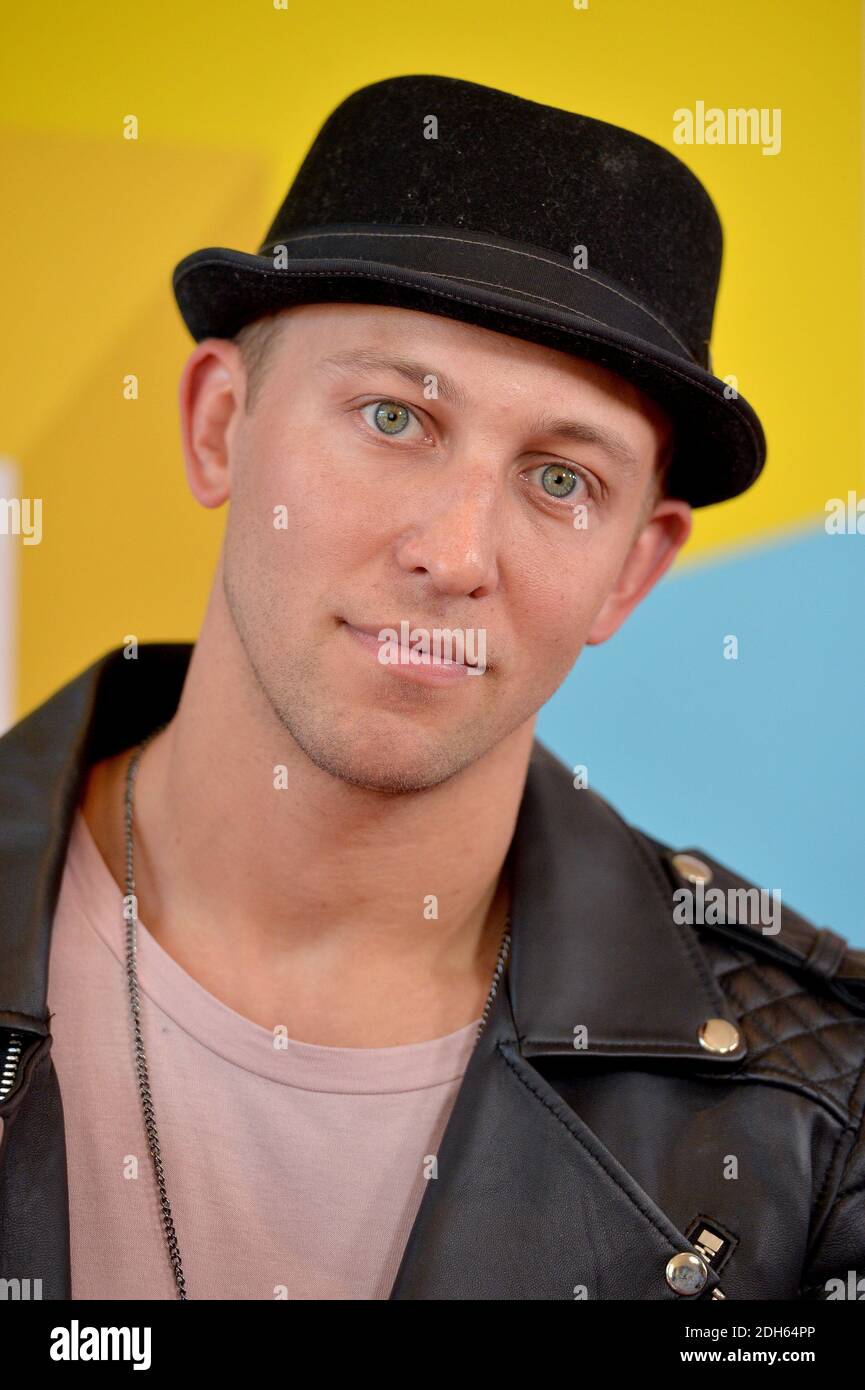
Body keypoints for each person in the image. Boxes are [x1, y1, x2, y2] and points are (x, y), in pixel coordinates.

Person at [1, 74, 862, 1303]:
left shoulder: (823, 1116)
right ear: (218, 426)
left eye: (561, 480)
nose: (455, 556)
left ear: (633, 568)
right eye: (394, 417)